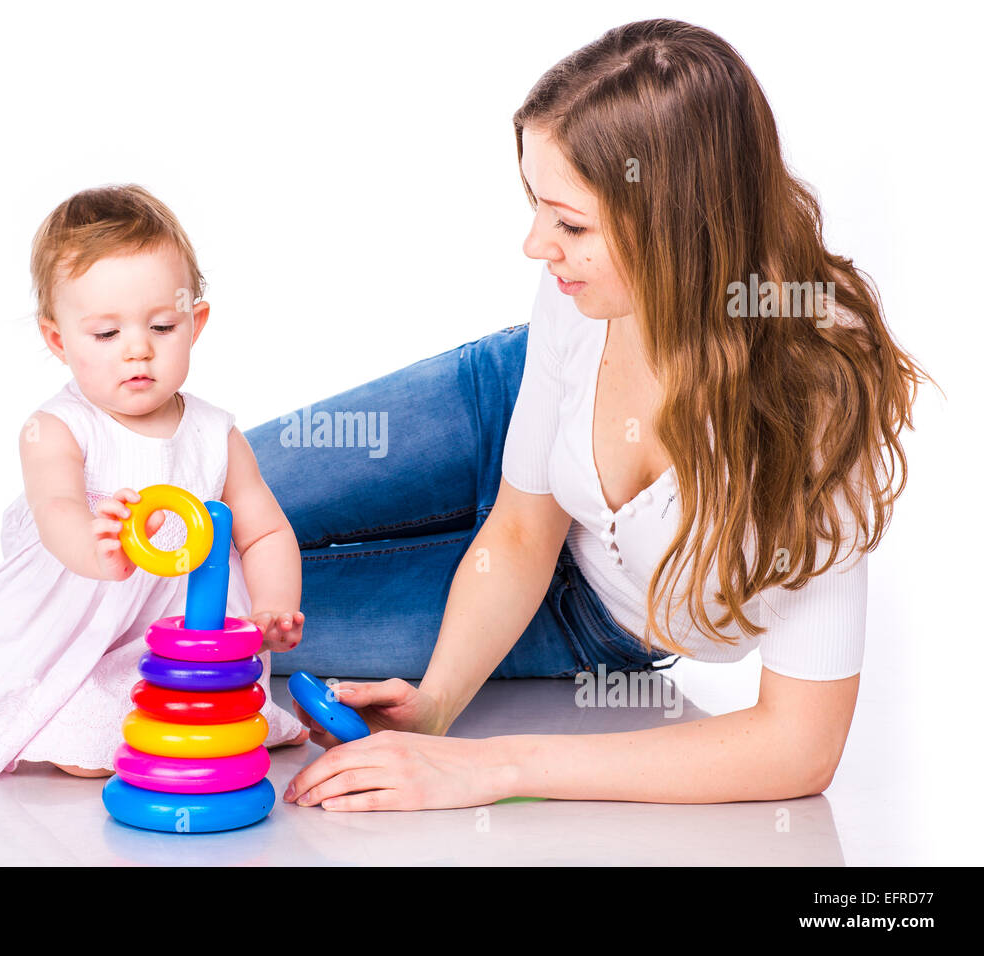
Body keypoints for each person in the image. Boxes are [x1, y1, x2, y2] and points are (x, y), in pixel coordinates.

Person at [262, 18, 931, 810]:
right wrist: (438, 700)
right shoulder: (579, 292)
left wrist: (486, 764)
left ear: (680, 226)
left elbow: (799, 746)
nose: (534, 245)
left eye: (570, 224)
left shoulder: (816, 392)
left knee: (216, 623)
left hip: (584, 621)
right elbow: (519, 531)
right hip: (492, 417)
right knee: (198, 496)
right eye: (537, 205)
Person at [0, 185, 308, 783]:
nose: (137, 350)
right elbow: (55, 508)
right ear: (59, 340)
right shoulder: (58, 429)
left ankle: (124, 725)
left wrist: (275, 606)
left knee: (121, 735)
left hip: (178, 627)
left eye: (161, 326)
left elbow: (265, 533)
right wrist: (95, 547)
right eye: (106, 335)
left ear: (195, 322)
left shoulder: (215, 433)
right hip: (74, 609)